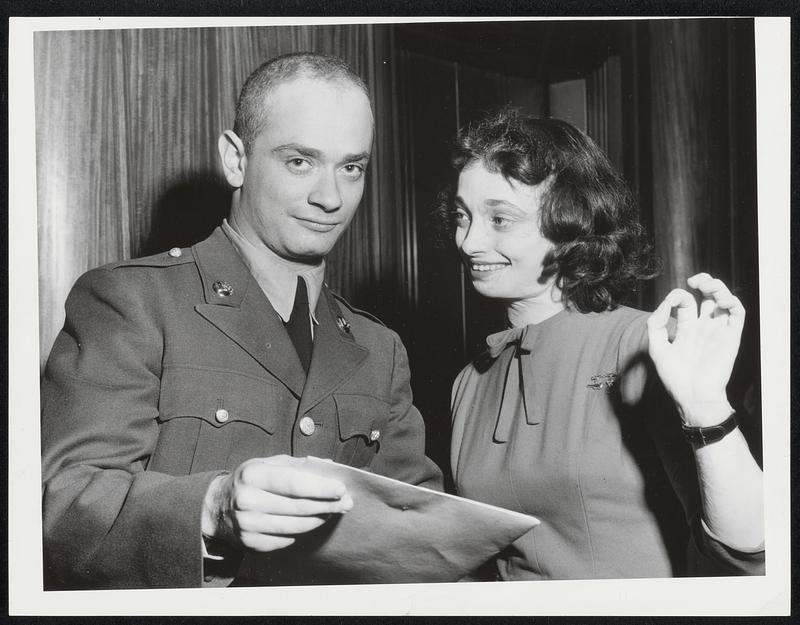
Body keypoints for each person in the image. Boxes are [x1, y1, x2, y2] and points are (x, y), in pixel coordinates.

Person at [40, 52, 442, 590]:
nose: (330, 197)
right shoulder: (135, 300)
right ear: (236, 159)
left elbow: (419, 535)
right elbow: (60, 503)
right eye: (299, 161)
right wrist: (212, 510)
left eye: (352, 167)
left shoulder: (378, 345)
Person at [442, 110, 765, 579]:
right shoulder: (469, 382)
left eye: (500, 218)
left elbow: (753, 550)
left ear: (570, 221)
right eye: (462, 216)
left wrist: (705, 407)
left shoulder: (643, 345)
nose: (469, 241)